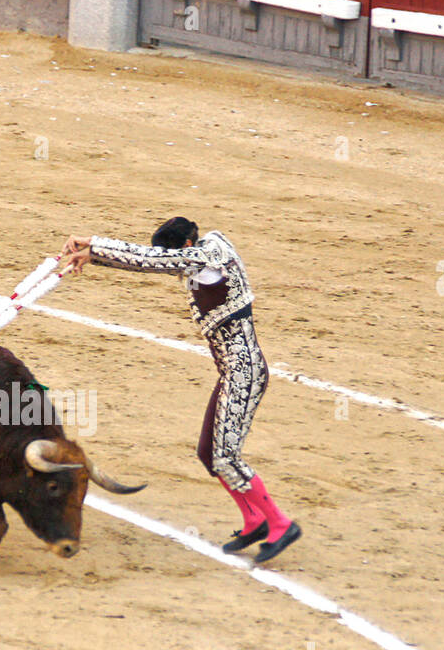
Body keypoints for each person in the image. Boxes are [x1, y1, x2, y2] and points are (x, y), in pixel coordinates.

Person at [59, 218, 301, 564]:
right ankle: (254, 519)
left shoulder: (197, 259)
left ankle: (280, 523)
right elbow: (153, 261)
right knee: (209, 452)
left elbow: (148, 259)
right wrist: (94, 254)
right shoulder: (213, 244)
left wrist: (93, 245)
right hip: (236, 371)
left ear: (185, 248)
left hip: (242, 373)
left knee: (225, 456)